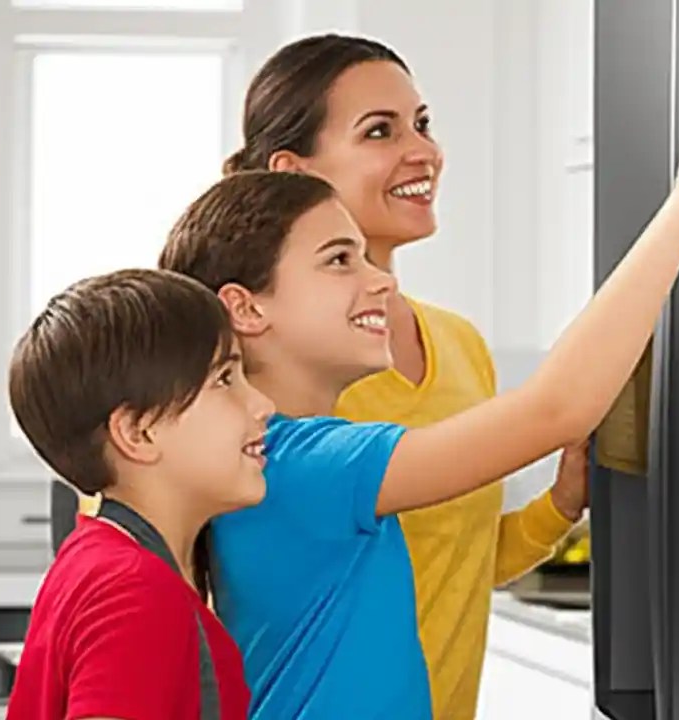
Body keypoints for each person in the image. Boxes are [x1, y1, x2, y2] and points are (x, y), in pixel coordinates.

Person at [160, 113, 679, 718]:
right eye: (340, 260)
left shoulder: (284, 460)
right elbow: (555, 409)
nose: (379, 283)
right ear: (247, 308)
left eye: (366, 257)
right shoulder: (303, 465)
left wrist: (557, 506)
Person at [223, 36, 590, 716]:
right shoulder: (272, 381)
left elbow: (456, 563)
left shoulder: (459, 344)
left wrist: (558, 508)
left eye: (421, 123)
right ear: (293, 172)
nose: (423, 151)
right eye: (379, 131)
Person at [5, 269, 273, 720]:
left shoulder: (99, 560)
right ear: (138, 432)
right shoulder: (134, 591)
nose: (263, 405)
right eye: (225, 379)